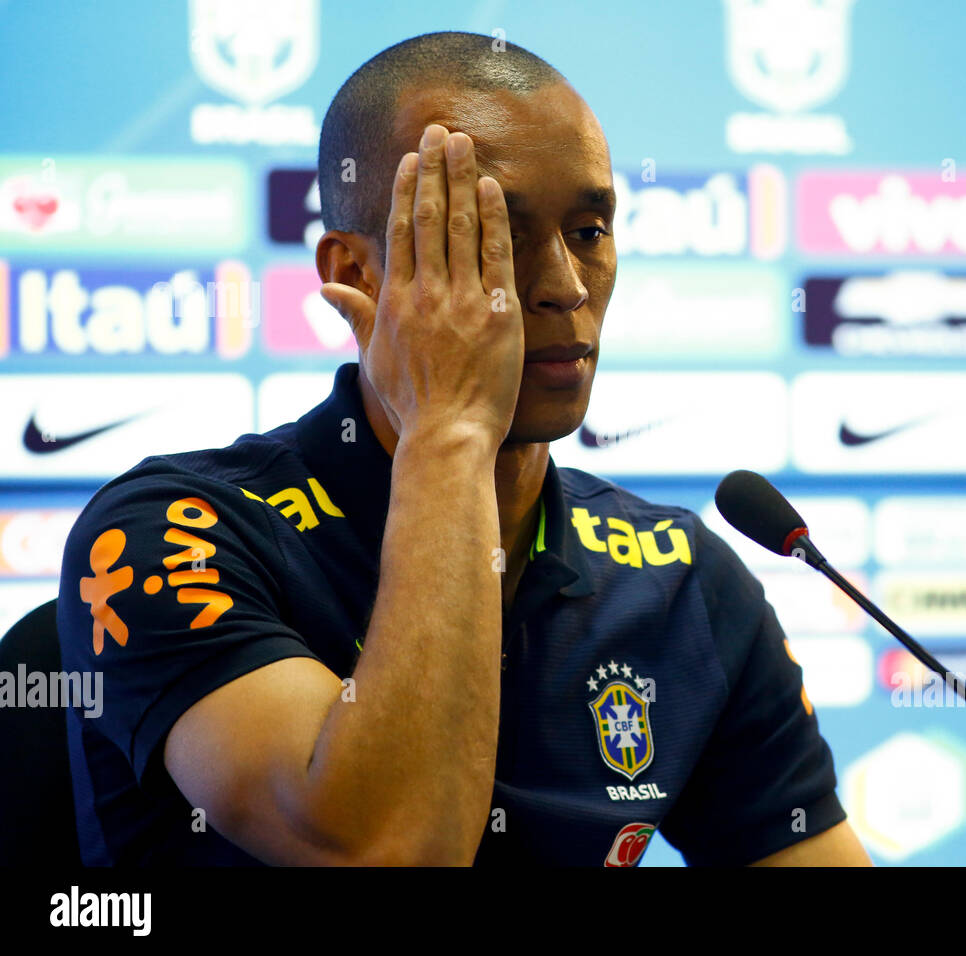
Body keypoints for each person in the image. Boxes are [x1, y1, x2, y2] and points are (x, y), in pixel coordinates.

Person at [57, 31, 871, 867]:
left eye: (590, 230)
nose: (564, 284)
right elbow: (390, 850)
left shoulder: (680, 580)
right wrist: (448, 426)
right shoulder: (175, 529)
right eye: (494, 235)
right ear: (356, 276)